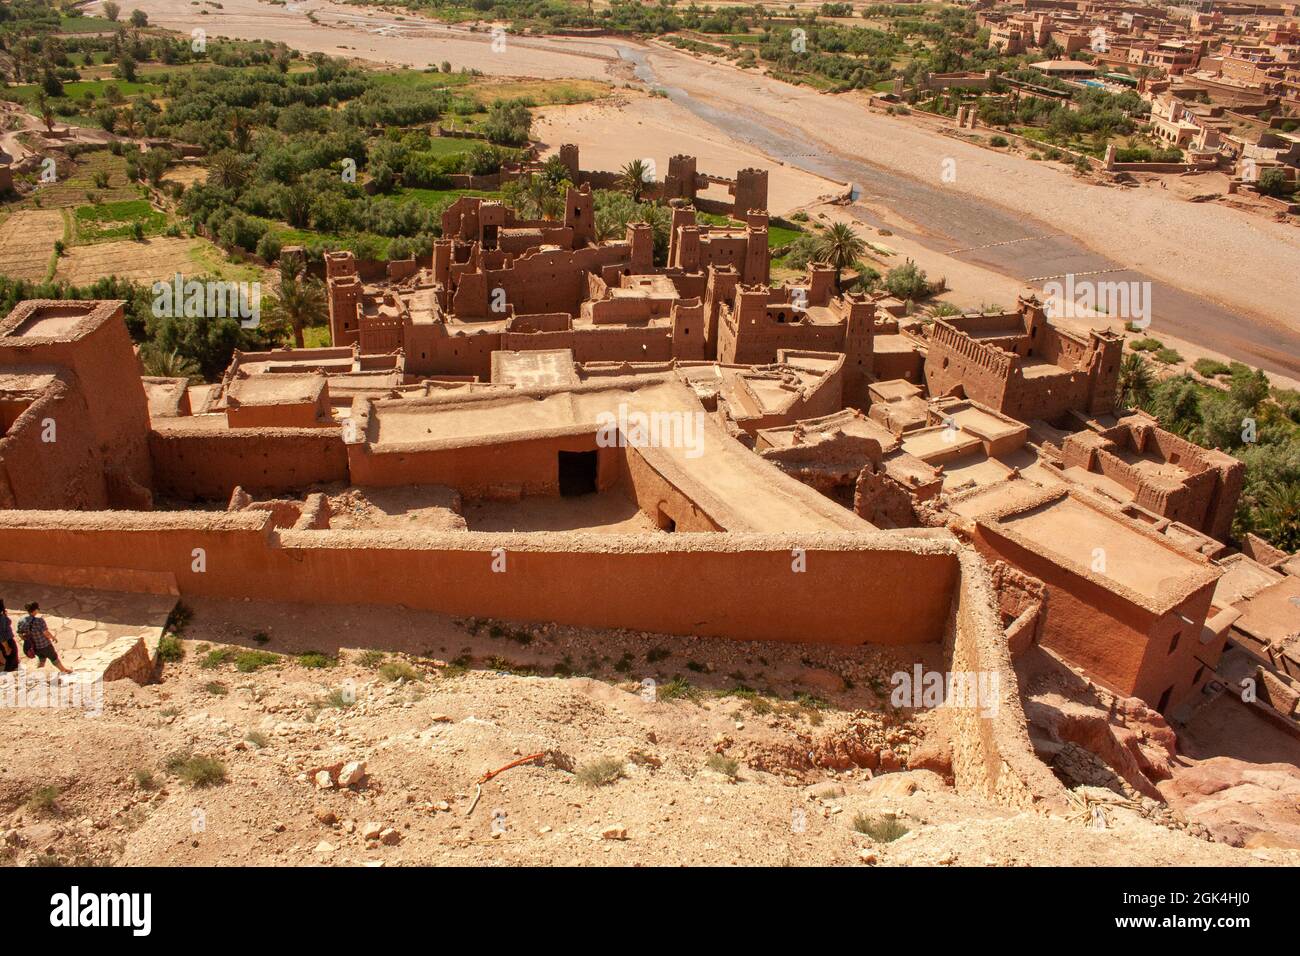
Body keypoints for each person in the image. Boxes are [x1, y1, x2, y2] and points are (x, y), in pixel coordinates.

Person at [17, 603, 71, 675]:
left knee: (42, 658)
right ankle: (64, 670)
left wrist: (27, 640)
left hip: (34, 647)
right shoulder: (39, 621)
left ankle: (39, 670)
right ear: (35, 610)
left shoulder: (22, 620)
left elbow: (20, 633)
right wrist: (53, 637)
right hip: (44, 645)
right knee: (54, 657)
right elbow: (46, 633)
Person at [0, 600, 16, 672]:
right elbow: (1, 635)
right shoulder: (1, 618)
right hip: (6, 640)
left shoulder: (2, 616)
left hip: (4, 641)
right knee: (11, 657)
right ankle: (8, 672)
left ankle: (14, 668)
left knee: (10, 656)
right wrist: (7, 648)